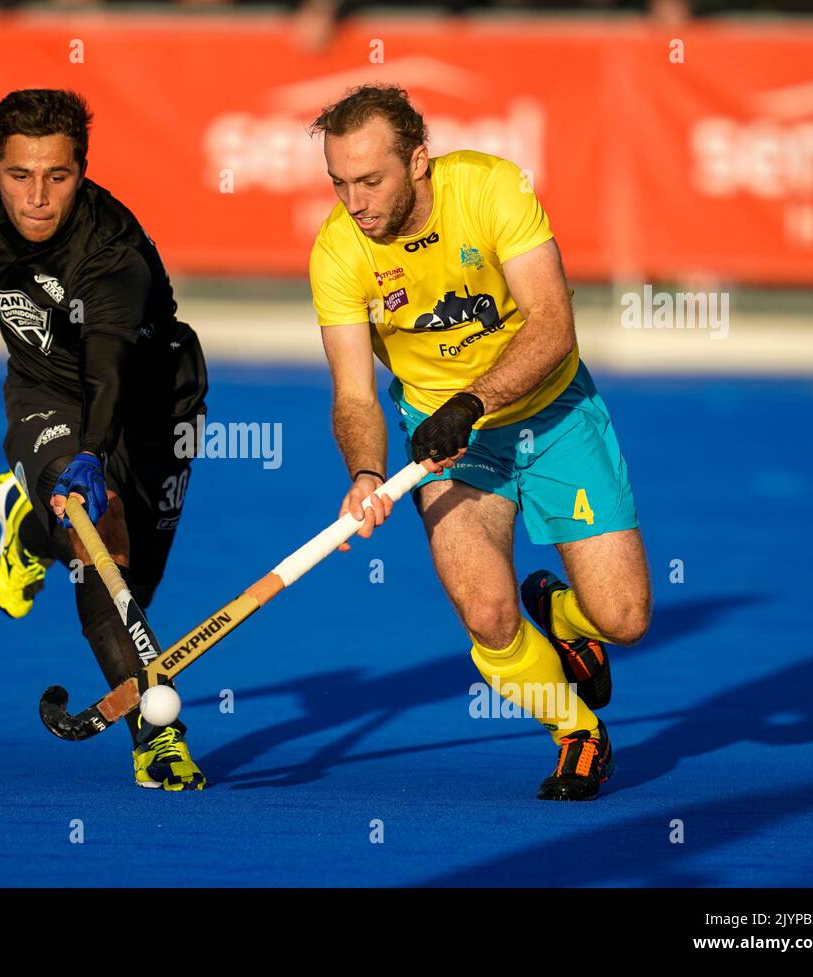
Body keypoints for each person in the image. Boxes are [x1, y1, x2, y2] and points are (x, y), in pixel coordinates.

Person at [307, 84, 652, 800]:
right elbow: (352, 395)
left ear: (420, 160)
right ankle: (576, 731)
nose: (355, 202)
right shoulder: (339, 252)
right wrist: (367, 473)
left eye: (371, 180)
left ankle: (563, 613)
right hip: (449, 447)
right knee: (488, 612)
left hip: (553, 416)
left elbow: (554, 324)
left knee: (625, 619)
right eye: (339, 183)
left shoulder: (491, 187)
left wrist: (473, 400)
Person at [0, 88, 209, 791]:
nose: (36, 198)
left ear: (84, 172)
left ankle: (27, 528)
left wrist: (93, 452)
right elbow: (69, 370)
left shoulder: (112, 261)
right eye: (19, 175)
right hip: (46, 395)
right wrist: (78, 460)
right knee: (103, 555)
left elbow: (107, 371)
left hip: (152, 401)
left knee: (132, 588)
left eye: (57, 177)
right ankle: (157, 740)